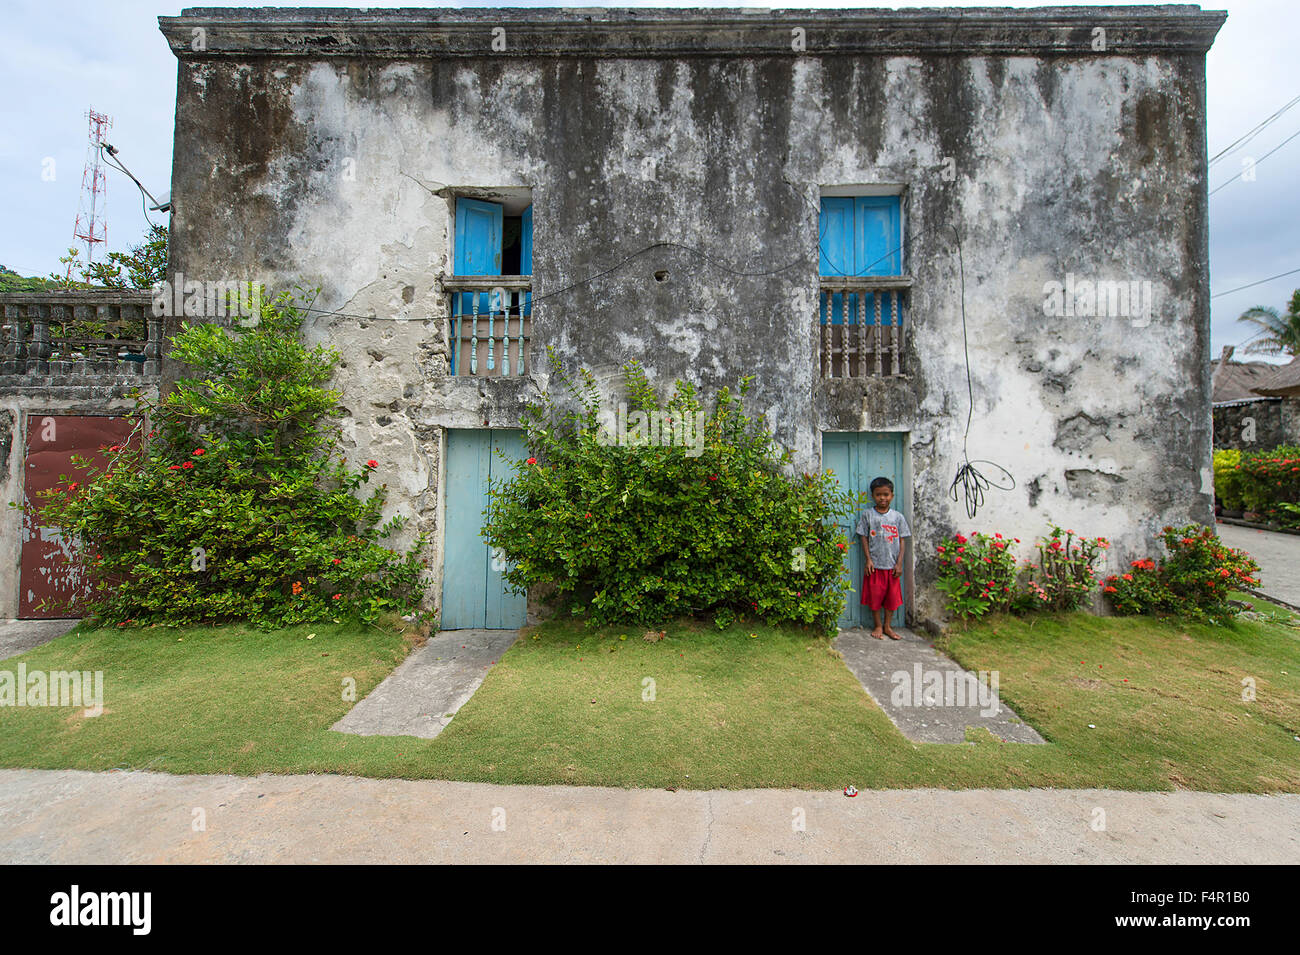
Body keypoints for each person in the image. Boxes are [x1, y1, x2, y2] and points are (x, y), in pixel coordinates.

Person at [855, 476, 910, 640]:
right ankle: (878, 625)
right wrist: (868, 559)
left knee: (891, 598)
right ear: (873, 496)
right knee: (875, 597)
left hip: (892, 567)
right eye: (878, 494)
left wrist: (899, 563)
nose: (882, 498)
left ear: (892, 495)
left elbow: (902, 539)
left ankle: (888, 626)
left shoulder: (897, 517)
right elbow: (863, 537)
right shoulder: (868, 515)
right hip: (875, 566)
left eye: (886, 494)